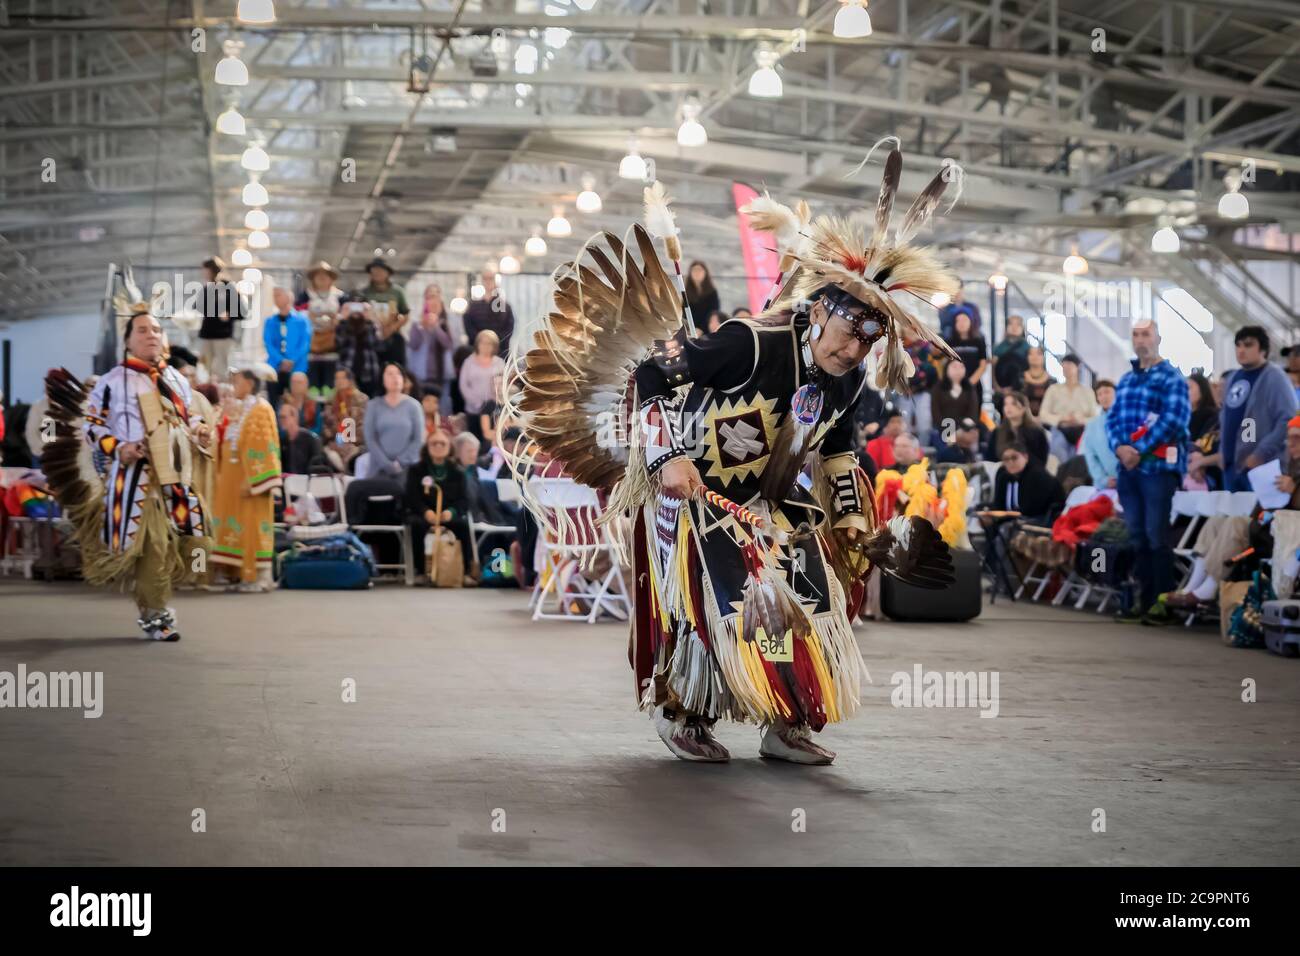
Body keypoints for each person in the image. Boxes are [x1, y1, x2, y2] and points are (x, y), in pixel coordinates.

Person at [509, 143, 958, 766]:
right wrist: (667, 459)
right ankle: (682, 710)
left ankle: (788, 720)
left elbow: (833, 448)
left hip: (765, 500)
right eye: (853, 329)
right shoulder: (751, 343)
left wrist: (854, 522)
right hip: (691, 492)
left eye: (873, 337)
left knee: (813, 596)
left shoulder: (848, 378)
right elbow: (652, 375)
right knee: (720, 600)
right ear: (822, 308)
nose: (858, 348)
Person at [42, 304, 214, 640]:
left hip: (176, 478)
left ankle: (156, 597)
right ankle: (156, 616)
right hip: (136, 480)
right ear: (128, 342)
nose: (151, 335)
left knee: (196, 544)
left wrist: (200, 429)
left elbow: (189, 417)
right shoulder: (111, 382)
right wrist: (120, 448)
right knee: (153, 547)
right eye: (142, 330)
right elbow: (92, 428)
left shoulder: (174, 379)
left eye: (156, 330)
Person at [1107, 319, 1191, 623]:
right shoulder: (1127, 380)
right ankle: (1142, 601)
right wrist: (1120, 448)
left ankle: (1162, 603)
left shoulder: (1172, 378)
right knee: (1138, 536)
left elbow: (1175, 420)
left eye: (1146, 334)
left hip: (1157, 468)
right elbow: (1112, 419)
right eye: (1135, 334)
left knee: (1157, 536)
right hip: (1128, 469)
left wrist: (1138, 451)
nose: (1140, 339)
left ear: (1158, 338)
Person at [1195, 326, 1294, 493]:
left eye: (1248, 345)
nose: (1241, 350)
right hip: (1231, 467)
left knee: (1258, 517)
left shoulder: (1275, 377)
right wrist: (1223, 454)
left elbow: (1287, 420)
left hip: (1262, 466)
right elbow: (1225, 420)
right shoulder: (1234, 377)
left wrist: (1261, 453)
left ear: (1262, 349)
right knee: (1235, 517)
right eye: (1238, 345)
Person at [210, 367, 282, 592]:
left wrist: (256, 478)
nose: (234, 387)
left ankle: (259, 577)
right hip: (231, 480)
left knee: (253, 525)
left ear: (250, 383)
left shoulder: (261, 409)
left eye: (238, 382)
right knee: (232, 524)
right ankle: (235, 572)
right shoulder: (240, 410)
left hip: (251, 479)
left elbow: (264, 443)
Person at [405, 429, 474, 579]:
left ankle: (466, 571)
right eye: (434, 443)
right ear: (427, 447)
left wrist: (452, 512)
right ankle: (420, 571)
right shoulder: (416, 470)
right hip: (423, 514)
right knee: (416, 525)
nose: (438, 446)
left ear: (449, 446)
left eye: (442, 443)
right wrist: (425, 512)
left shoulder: (458, 472)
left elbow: (464, 500)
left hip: (447, 514)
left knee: (462, 525)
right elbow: (411, 497)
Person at [361, 362, 424, 481]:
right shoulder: (373, 405)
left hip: (408, 467)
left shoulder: (414, 406)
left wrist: (400, 462)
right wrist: (386, 463)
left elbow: (418, 439)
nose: (395, 377)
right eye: (390, 374)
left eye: (398, 374)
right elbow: (370, 438)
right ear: (382, 380)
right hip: (378, 466)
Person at [1039, 353, 1097, 464]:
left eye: (1069, 366)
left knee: (1081, 462)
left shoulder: (1087, 392)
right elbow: (1043, 414)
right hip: (1060, 430)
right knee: (1059, 459)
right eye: (1063, 366)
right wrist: (1062, 418)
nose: (1066, 369)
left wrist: (1080, 420)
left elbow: (1094, 417)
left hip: (1082, 432)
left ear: (1077, 367)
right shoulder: (1053, 389)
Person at [986, 441, 1063, 523]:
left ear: (1025, 457)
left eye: (1014, 458)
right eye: (1006, 459)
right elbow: (999, 504)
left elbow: (1033, 508)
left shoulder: (1038, 475)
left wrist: (1008, 515)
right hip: (1014, 519)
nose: (1010, 462)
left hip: (1041, 518)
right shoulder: (1003, 476)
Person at [196, 256, 246, 381]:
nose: (203, 272)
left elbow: (242, 311)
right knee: (203, 366)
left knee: (221, 368)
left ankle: (222, 393)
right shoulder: (206, 288)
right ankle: (206, 391)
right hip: (207, 334)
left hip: (223, 336)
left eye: (205, 269)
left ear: (212, 270)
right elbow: (198, 307)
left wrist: (229, 315)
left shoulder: (229, 287)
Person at [296, 260, 343, 393]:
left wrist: (336, 319)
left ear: (331, 279)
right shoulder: (305, 296)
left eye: (325, 276)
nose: (322, 279)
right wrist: (309, 316)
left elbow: (345, 314)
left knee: (330, 383)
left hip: (332, 344)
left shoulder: (339, 296)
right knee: (313, 383)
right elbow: (297, 313)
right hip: (311, 344)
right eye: (318, 276)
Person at [263, 286, 312, 406]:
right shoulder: (270, 321)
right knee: (273, 401)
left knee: (296, 403)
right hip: (275, 367)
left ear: (289, 296)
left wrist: (292, 360)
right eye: (274, 296)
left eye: (278, 295)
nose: (275, 298)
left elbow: (305, 343)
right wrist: (281, 360)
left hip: (297, 367)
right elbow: (268, 343)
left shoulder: (302, 320)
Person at [362, 258, 411, 369]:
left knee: (397, 368)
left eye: (380, 270)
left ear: (388, 273)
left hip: (393, 337)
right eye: (373, 270)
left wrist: (393, 327)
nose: (377, 273)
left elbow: (406, 314)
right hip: (371, 338)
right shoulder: (364, 293)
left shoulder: (397, 292)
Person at [408, 284, 454, 398]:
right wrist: (422, 327)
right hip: (421, 374)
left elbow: (449, 344)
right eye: (429, 297)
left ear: (440, 299)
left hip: (442, 374)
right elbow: (413, 345)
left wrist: (436, 327)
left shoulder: (449, 320)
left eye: (435, 297)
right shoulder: (417, 322)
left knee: (443, 408)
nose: (432, 301)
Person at [458, 330, 506, 436]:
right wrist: (478, 403)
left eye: (490, 343)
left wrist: (493, 401)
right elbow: (463, 385)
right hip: (473, 409)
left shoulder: (499, 363)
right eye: (483, 342)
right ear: (477, 344)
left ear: (495, 346)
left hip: (493, 410)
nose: (486, 346)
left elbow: (503, 383)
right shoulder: (469, 362)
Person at [322, 367, 368, 473]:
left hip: (356, 444)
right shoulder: (330, 401)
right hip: (336, 442)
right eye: (336, 378)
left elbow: (363, 425)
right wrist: (335, 439)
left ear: (350, 380)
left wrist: (352, 440)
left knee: (353, 455)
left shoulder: (361, 400)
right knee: (331, 455)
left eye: (342, 378)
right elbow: (326, 426)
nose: (339, 381)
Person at [336, 293, 382, 397]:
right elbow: (339, 343)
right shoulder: (343, 324)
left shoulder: (370, 325)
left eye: (359, 306)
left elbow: (378, 345)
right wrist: (343, 319)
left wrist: (370, 320)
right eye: (353, 306)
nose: (356, 310)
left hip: (369, 373)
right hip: (347, 372)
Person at [988, 390, 1049, 467]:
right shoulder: (997, 432)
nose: (1008, 407)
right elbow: (990, 459)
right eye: (1006, 404)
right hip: (1002, 473)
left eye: (1013, 404)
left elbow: (1041, 460)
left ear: (1023, 408)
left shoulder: (1036, 432)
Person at [462, 269, 515, 356]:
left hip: (499, 352)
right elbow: (469, 327)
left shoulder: (506, 307)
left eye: (490, 278)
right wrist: (482, 343)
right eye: (485, 278)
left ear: (495, 281)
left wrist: (493, 344)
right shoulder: (473, 306)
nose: (488, 281)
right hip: (478, 352)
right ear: (482, 281)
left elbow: (508, 330)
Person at [930, 356, 980, 447]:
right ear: (947, 369)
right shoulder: (938, 388)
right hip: (944, 425)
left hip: (964, 427)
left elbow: (973, 411)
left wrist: (964, 427)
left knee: (972, 432)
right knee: (949, 444)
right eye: (954, 367)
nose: (958, 370)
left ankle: (968, 454)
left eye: (961, 367)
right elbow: (935, 412)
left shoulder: (969, 388)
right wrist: (949, 429)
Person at [1081, 378, 1119, 488]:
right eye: (1099, 394)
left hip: (1132, 479)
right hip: (1105, 485)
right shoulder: (1092, 425)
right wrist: (1103, 479)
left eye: (1107, 391)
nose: (1104, 396)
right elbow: (1090, 456)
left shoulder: (1128, 418)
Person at [944, 309, 988, 401]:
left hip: (974, 385)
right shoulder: (949, 342)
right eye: (958, 321)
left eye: (964, 320)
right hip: (953, 385)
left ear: (971, 322)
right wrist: (956, 384)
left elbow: (983, 365)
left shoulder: (979, 340)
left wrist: (969, 383)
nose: (961, 323)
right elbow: (945, 364)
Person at [278, 401, 327, 475]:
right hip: (289, 483)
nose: (281, 421)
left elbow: (318, 467)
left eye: (284, 417)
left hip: (308, 482)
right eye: (280, 417)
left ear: (294, 417)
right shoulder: (282, 442)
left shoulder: (311, 440)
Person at [991, 312, 1030, 401]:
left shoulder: (1028, 348)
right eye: (1011, 324)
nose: (1014, 327)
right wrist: (998, 388)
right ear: (1006, 327)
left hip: (1022, 391)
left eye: (1018, 325)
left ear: (1022, 328)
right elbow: (993, 370)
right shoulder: (998, 348)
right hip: (1002, 390)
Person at [280, 371, 322, 435]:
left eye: (299, 382)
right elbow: (280, 428)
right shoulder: (283, 402)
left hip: (308, 440)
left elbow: (318, 429)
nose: (296, 385)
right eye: (293, 382)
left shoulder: (314, 404)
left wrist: (301, 433)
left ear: (306, 385)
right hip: (287, 441)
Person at [1019, 345, 1053, 417]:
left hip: (1047, 422)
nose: (1035, 357)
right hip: (1024, 420)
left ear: (1044, 357)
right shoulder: (1019, 379)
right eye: (1031, 354)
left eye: (1038, 354)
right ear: (1027, 357)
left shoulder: (1052, 382)